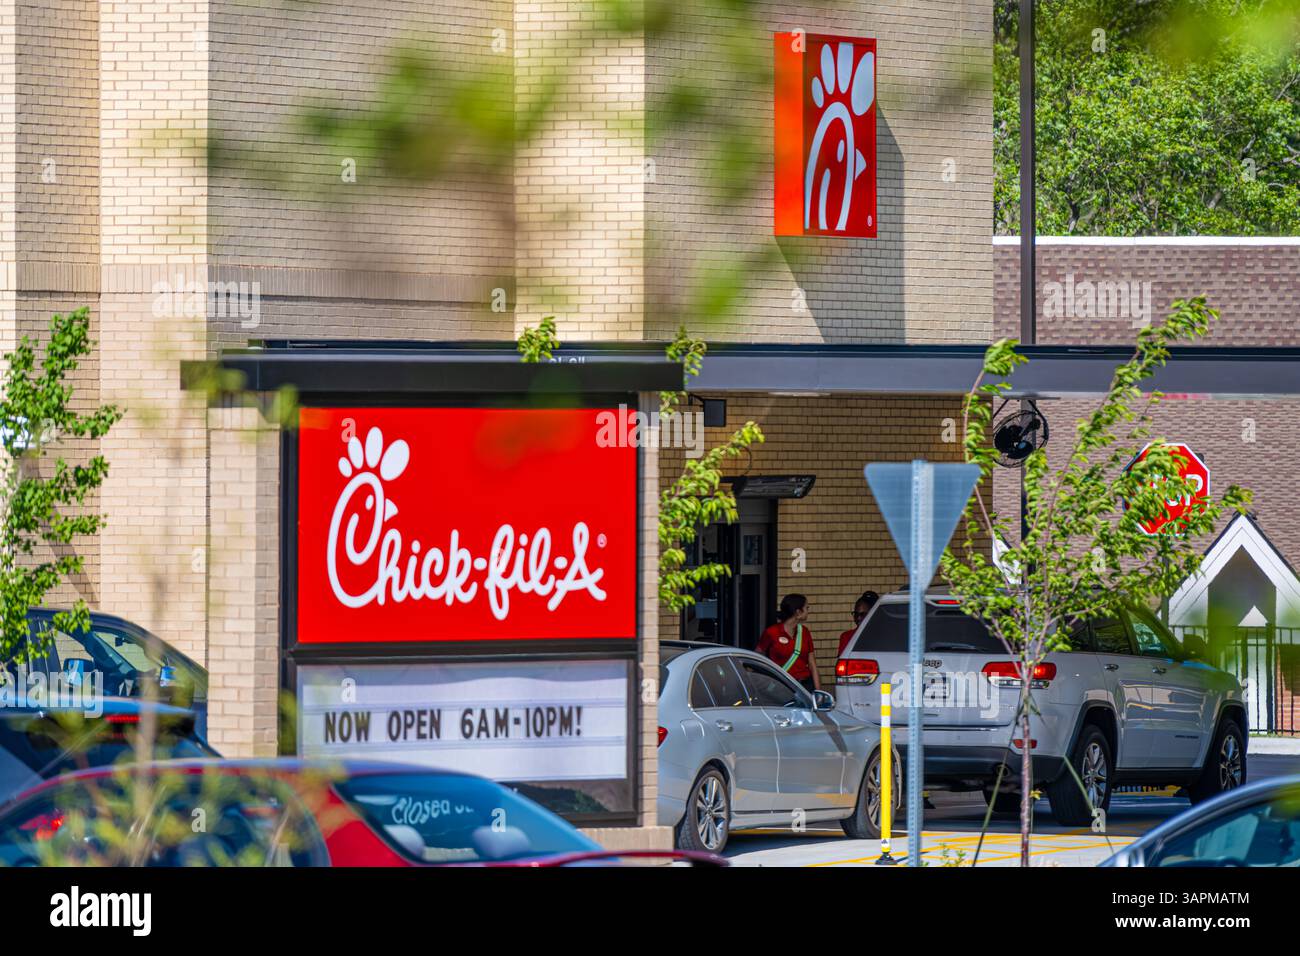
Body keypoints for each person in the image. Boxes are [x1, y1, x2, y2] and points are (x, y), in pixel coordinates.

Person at [756, 594, 820, 694]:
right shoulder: (771, 632)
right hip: (782, 685)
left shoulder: (805, 632)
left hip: (805, 685)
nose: (808, 611)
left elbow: (812, 664)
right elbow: (758, 656)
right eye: (806, 608)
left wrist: (818, 691)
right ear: (798, 612)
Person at [838, 590, 880, 657]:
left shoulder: (882, 637)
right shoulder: (846, 637)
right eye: (856, 614)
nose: (858, 618)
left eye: (863, 614)